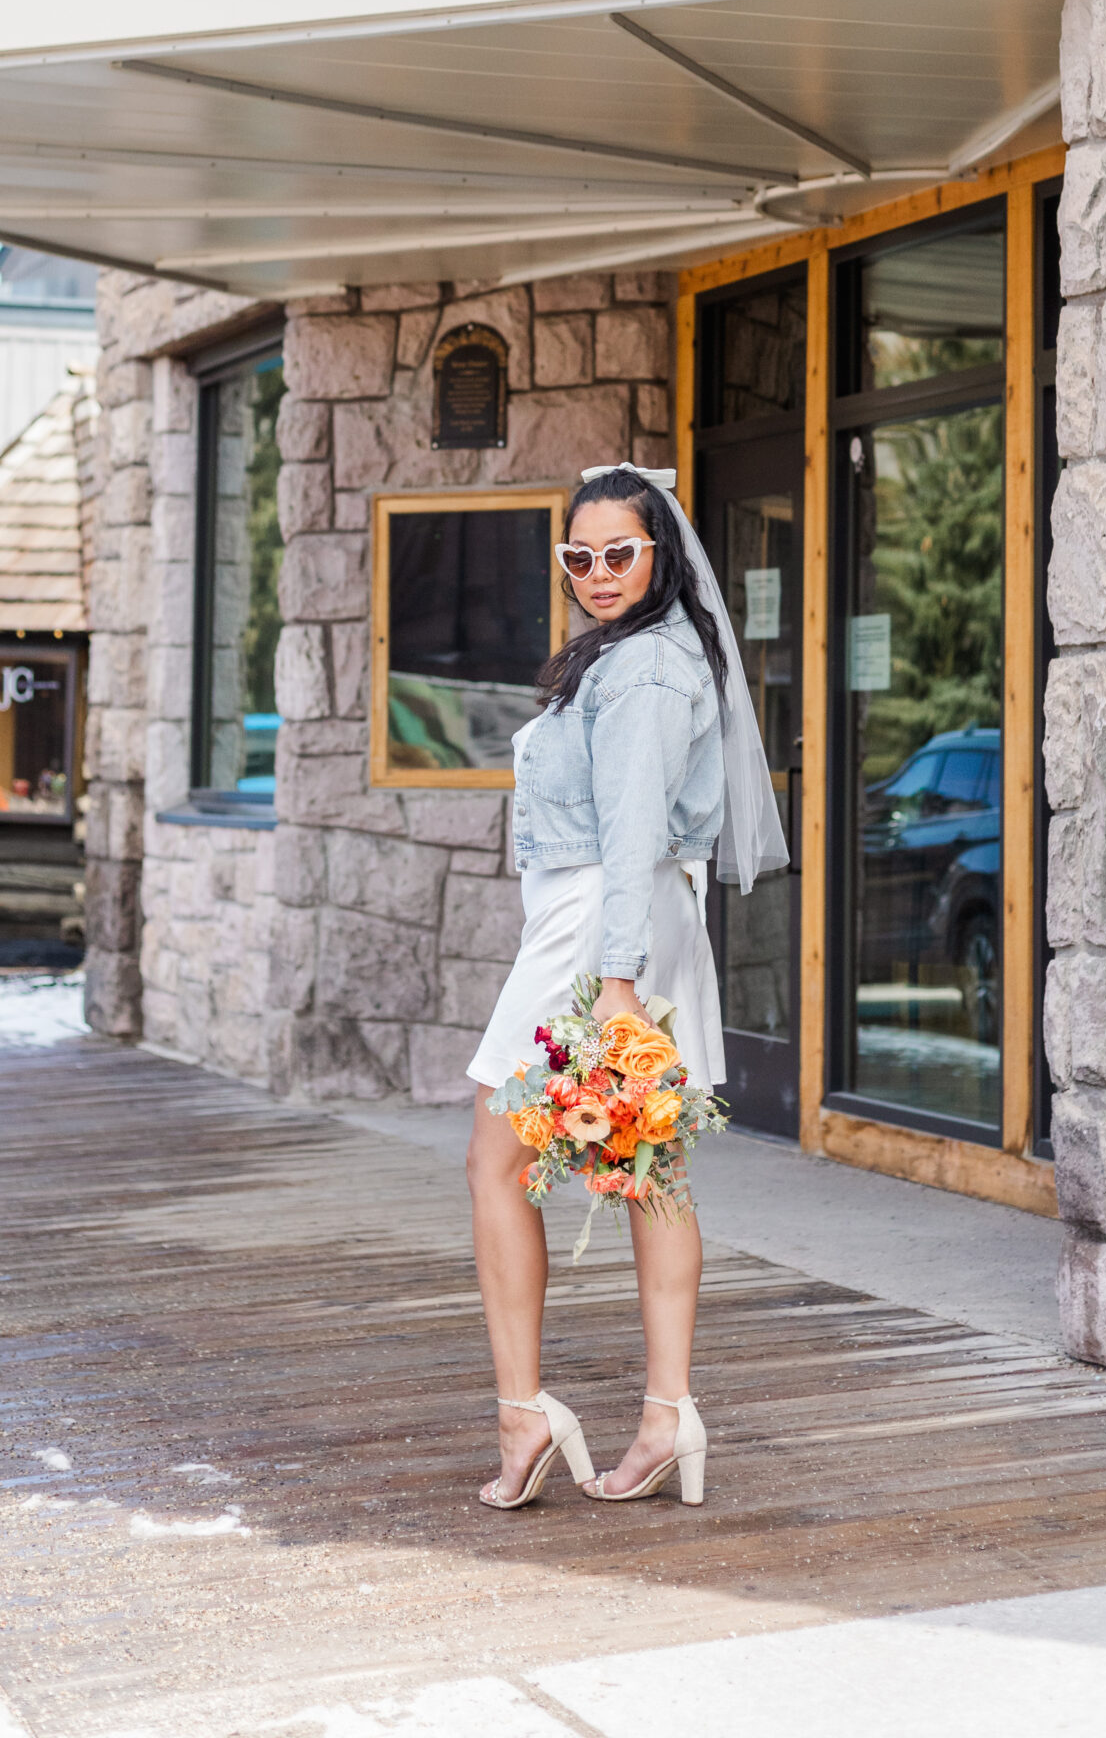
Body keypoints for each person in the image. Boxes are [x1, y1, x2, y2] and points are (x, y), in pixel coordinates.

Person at [464, 461, 785, 1511]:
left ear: (661, 554)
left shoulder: (643, 668)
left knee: (496, 1160)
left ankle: (525, 1414)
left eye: (620, 552)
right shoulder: (635, 652)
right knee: (650, 1163)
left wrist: (615, 981)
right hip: (631, 921)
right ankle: (664, 1415)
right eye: (579, 556)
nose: (598, 572)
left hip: (603, 930)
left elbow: (635, 827)